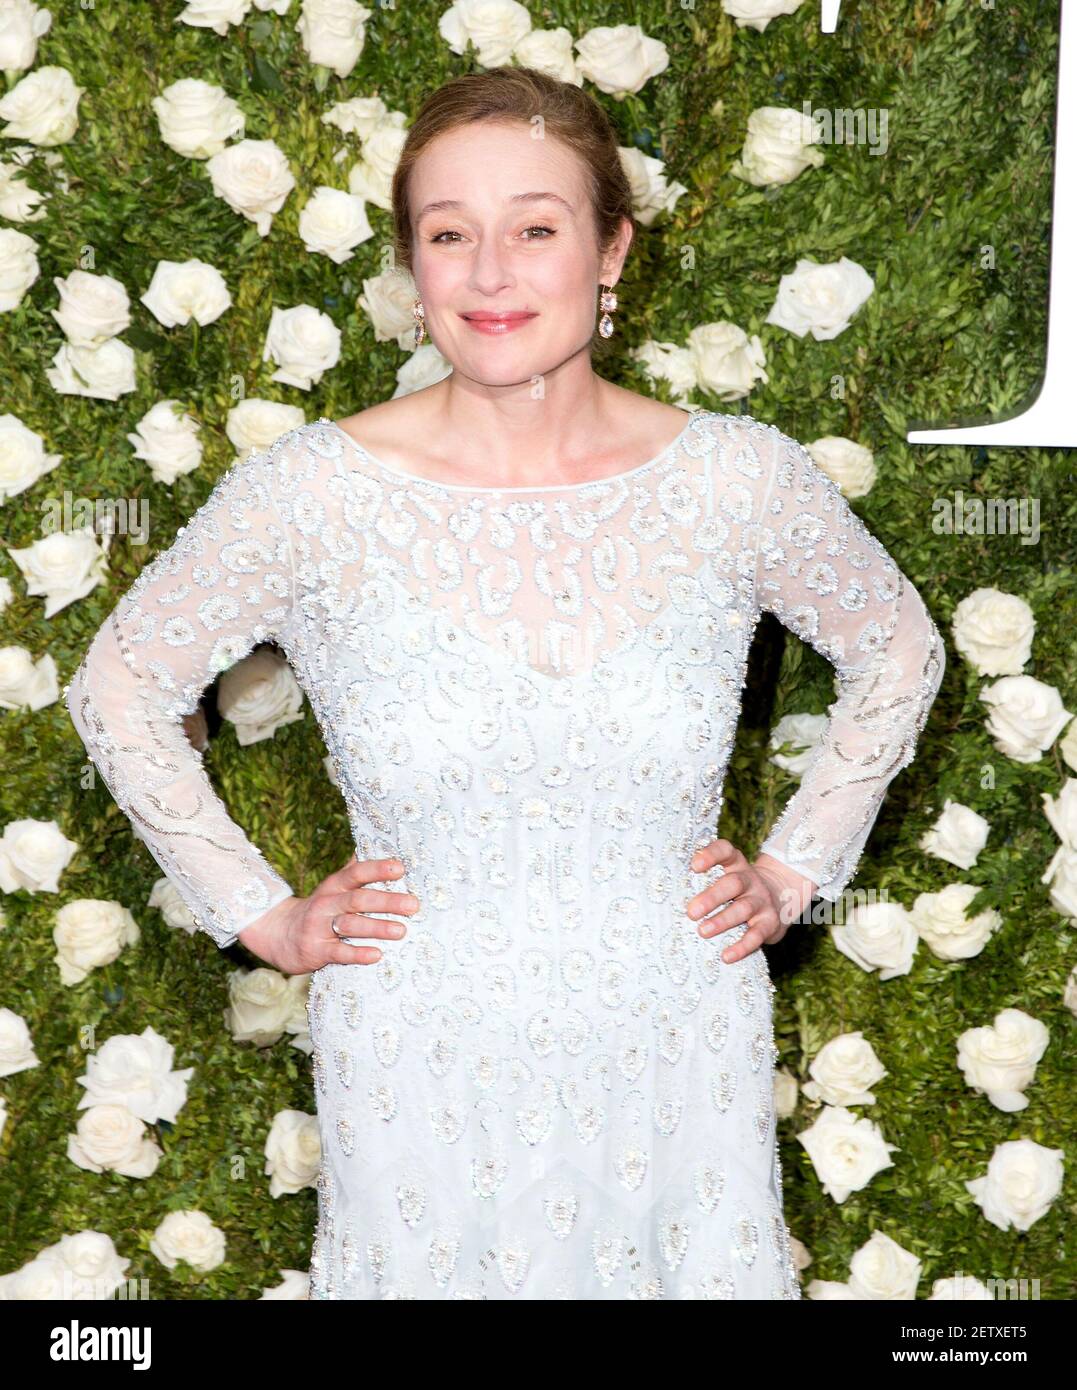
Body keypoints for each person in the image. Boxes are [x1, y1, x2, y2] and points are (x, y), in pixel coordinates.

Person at [63, 66, 945, 1300]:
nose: (490, 274)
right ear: (409, 265)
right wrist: (260, 911)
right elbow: (119, 685)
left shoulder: (736, 482)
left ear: (612, 250)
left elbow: (900, 646)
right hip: (419, 1055)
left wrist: (796, 868)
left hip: (674, 1042)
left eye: (535, 228)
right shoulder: (311, 496)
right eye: (448, 235)